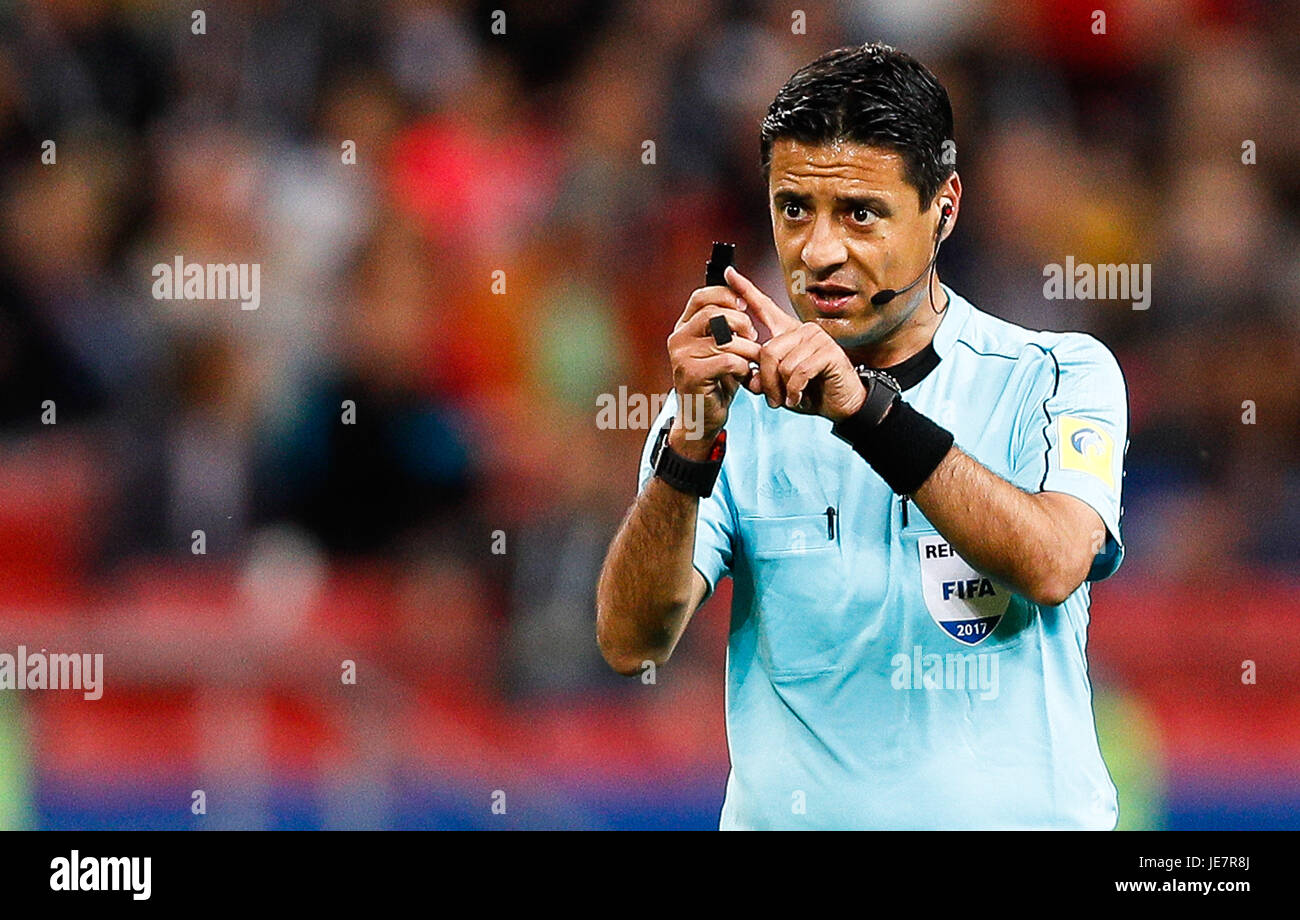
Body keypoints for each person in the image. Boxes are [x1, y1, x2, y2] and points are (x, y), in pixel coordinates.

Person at [595, 42, 1128, 830]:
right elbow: (633, 642)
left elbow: (1052, 564)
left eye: (860, 213)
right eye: (793, 209)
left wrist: (866, 413)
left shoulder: (1051, 374)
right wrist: (689, 446)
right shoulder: (726, 406)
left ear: (943, 207)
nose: (819, 252)